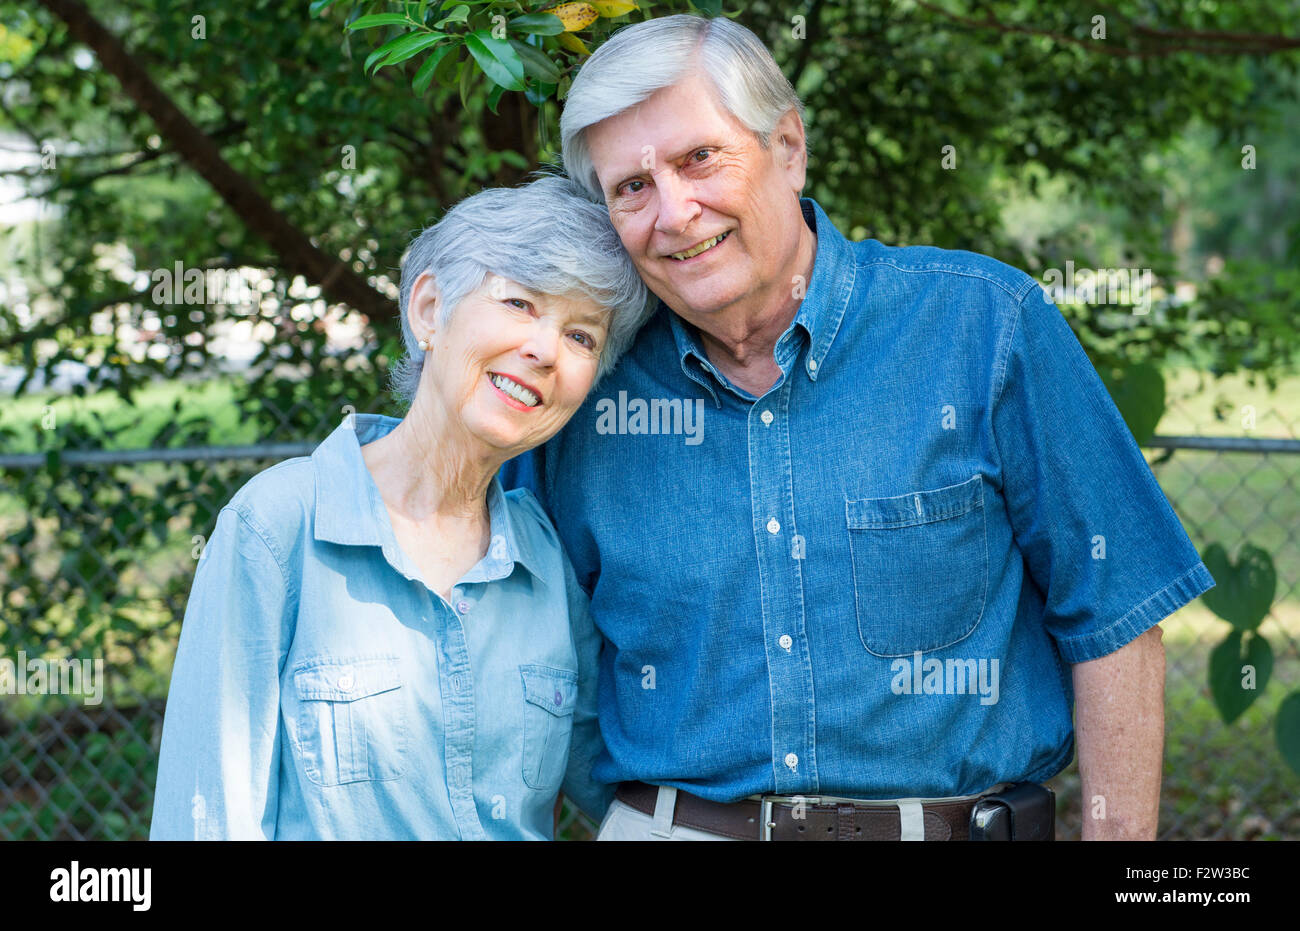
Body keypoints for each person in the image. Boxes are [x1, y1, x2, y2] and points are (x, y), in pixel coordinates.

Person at [500, 15, 1216, 841]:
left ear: (790, 146)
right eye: (633, 187)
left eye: (700, 158)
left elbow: (1118, 616)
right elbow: (515, 642)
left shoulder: (983, 327)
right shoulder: (581, 389)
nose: (676, 210)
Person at [150, 174, 651, 840]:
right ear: (429, 309)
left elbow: (620, 783)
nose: (544, 349)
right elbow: (206, 818)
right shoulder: (278, 527)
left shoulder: (541, 558)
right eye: (520, 302)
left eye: (582, 337)